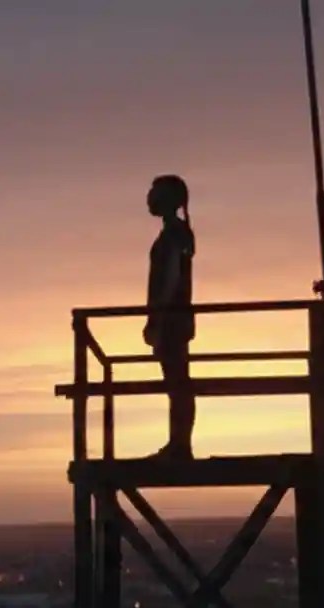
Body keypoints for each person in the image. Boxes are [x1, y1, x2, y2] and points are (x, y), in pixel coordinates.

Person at [142, 174, 195, 461]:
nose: (148, 198)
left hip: (172, 319)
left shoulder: (175, 233)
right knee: (176, 383)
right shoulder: (176, 232)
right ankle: (178, 444)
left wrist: (158, 317)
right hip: (173, 318)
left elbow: (172, 277)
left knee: (178, 383)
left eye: (154, 192)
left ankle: (180, 446)